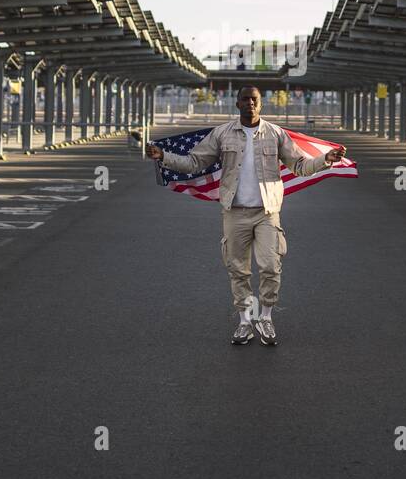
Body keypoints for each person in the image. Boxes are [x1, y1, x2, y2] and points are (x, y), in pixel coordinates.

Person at [146, 86, 345, 346]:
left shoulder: (275, 134)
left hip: (267, 212)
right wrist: (165, 157)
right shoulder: (222, 133)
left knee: (270, 266)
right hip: (235, 212)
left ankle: (265, 317)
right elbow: (195, 163)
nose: (250, 103)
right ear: (237, 103)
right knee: (237, 269)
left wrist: (325, 159)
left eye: (255, 100)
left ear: (261, 104)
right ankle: (243, 323)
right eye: (245, 99)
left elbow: (299, 166)